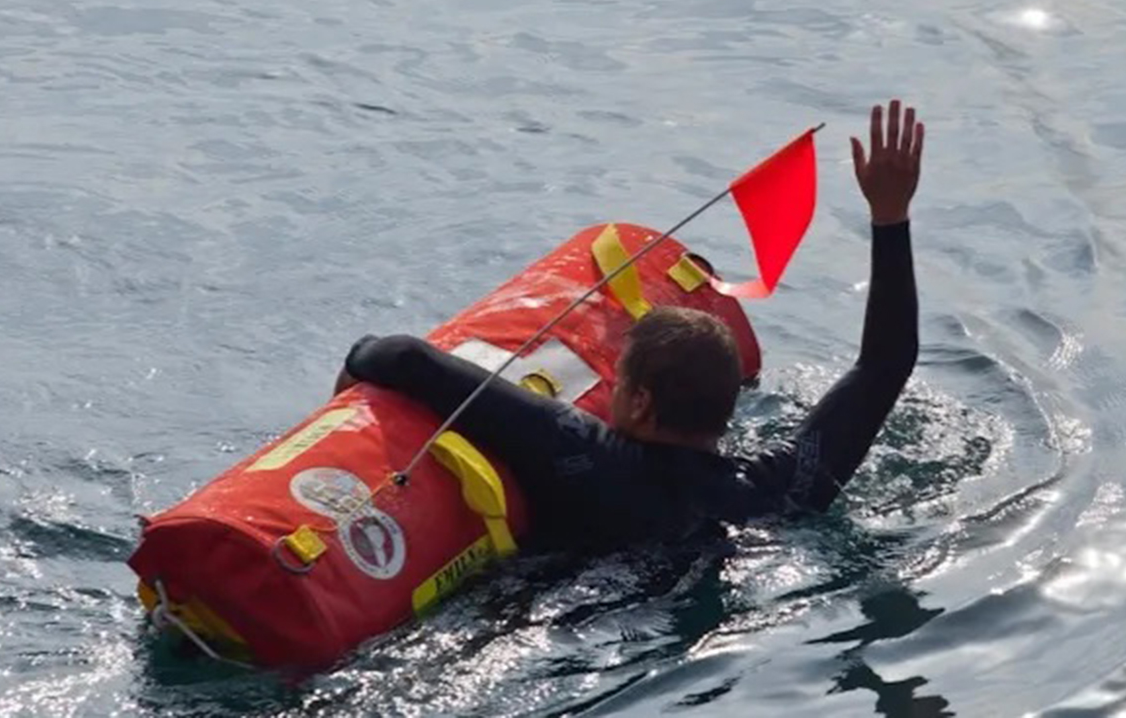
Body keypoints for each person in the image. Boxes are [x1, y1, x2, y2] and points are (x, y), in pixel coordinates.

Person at [335, 100, 924, 550]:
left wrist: (349, 404)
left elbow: (398, 356)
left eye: (616, 381)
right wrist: (890, 216)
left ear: (639, 402)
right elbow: (884, 366)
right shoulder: (774, 491)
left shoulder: (583, 452)